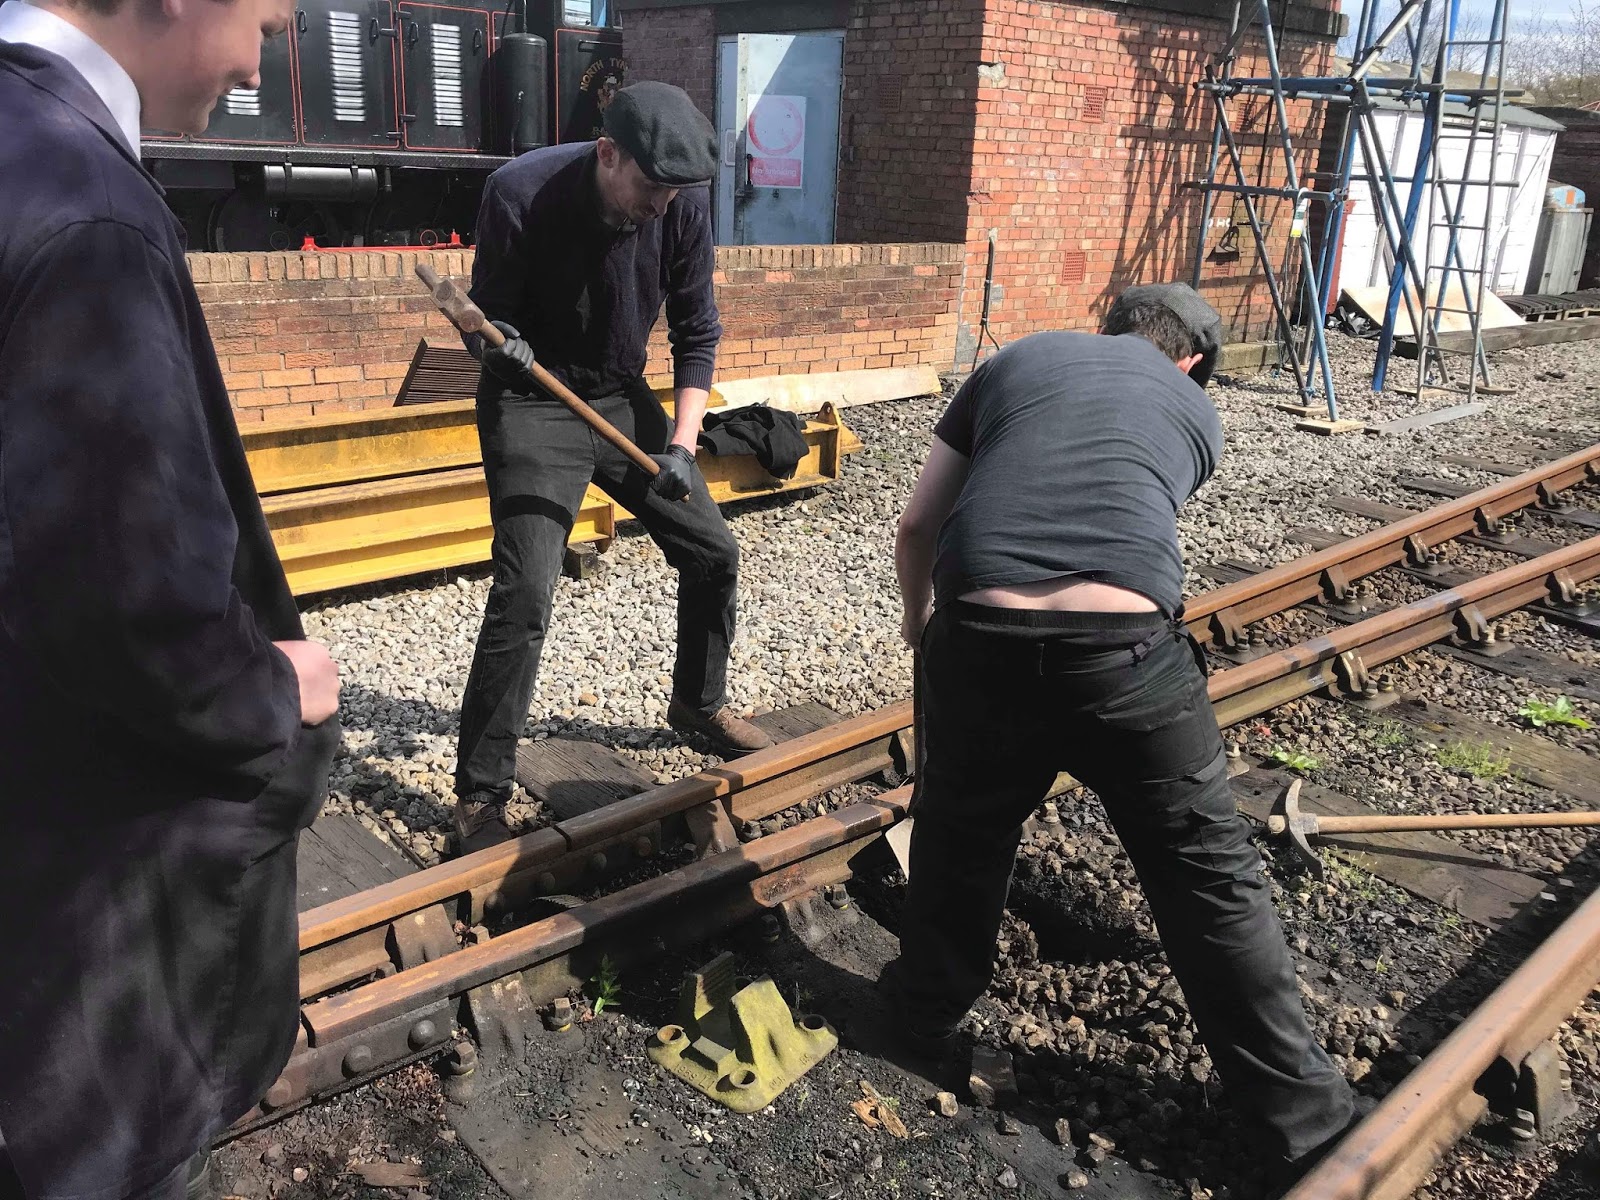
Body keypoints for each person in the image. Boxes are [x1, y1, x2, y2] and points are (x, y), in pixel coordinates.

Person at [884, 285, 1354, 1172]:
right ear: (1190, 361)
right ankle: (1305, 1119)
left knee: (961, 827)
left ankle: (921, 1014)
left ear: (1111, 331)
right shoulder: (1192, 408)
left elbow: (917, 523)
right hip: (1126, 658)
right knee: (1206, 873)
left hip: (979, 634)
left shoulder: (1012, 361)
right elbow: (1129, 524)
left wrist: (922, 627)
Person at [0, 1, 340, 1197]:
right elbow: (140, 616)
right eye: (267, 19)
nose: (257, 64)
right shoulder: (92, 216)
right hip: (75, 958)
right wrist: (278, 691)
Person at [454, 80, 773, 853]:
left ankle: (697, 705)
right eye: (651, 189)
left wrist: (682, 447)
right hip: (531, 400)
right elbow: (481, 320)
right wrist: (498, 335)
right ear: (608, 154)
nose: (661, 208)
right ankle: (479, 793)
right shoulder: (518, 193)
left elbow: (698, 330)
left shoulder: (680, 203)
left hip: (620, 398)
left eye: (673, 194)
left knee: (713, 552)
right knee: (528, 585)